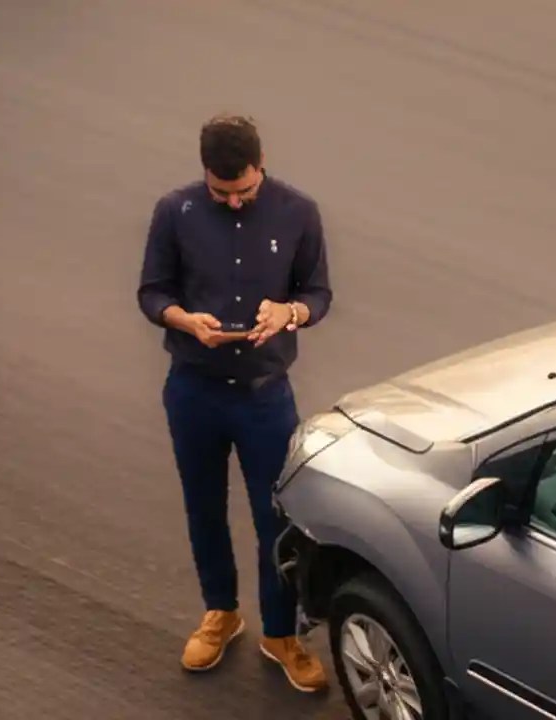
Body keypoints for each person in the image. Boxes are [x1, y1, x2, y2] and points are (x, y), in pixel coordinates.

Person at [136, 113, 333, 692]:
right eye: (223, 193)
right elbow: (153, 291)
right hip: (194, 389)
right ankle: (220, 612)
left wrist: (289, 313)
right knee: (204, 507)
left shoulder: (299, 211)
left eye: (245, 190)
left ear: (261, 165)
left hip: (265, 397)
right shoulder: (176, 211)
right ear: (205, 175)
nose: (237, 202)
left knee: (278, 519)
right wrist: (185, 321)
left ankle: (281, 633)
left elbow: (317, 292)